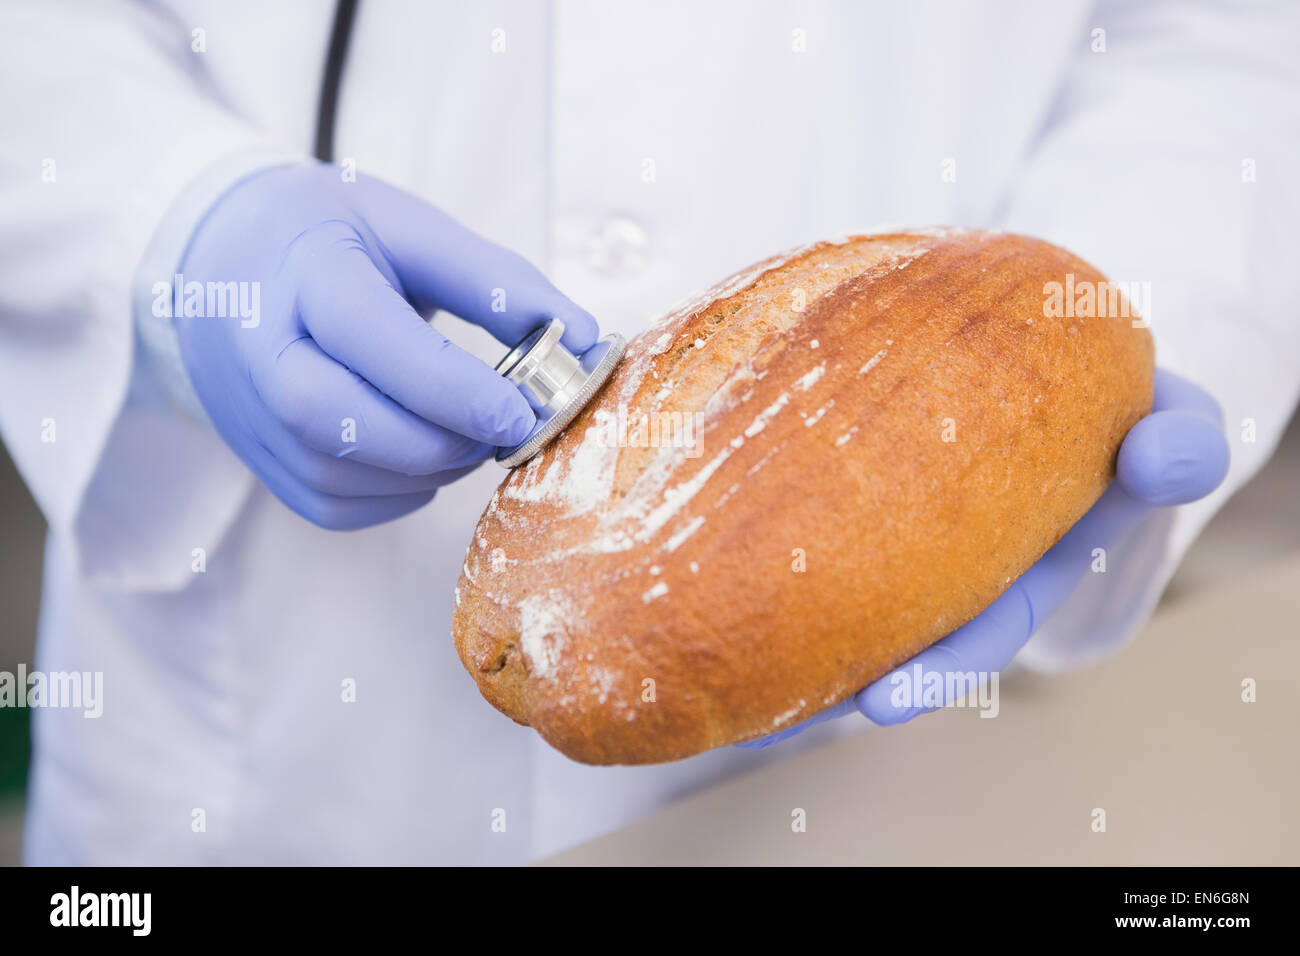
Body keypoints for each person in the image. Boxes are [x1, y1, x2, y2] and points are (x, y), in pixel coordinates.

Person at [0, 0, 1295, 865]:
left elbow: (1226, 42)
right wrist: (167, 230)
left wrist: (1094, 338)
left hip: (869, 767)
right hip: (270, 750)